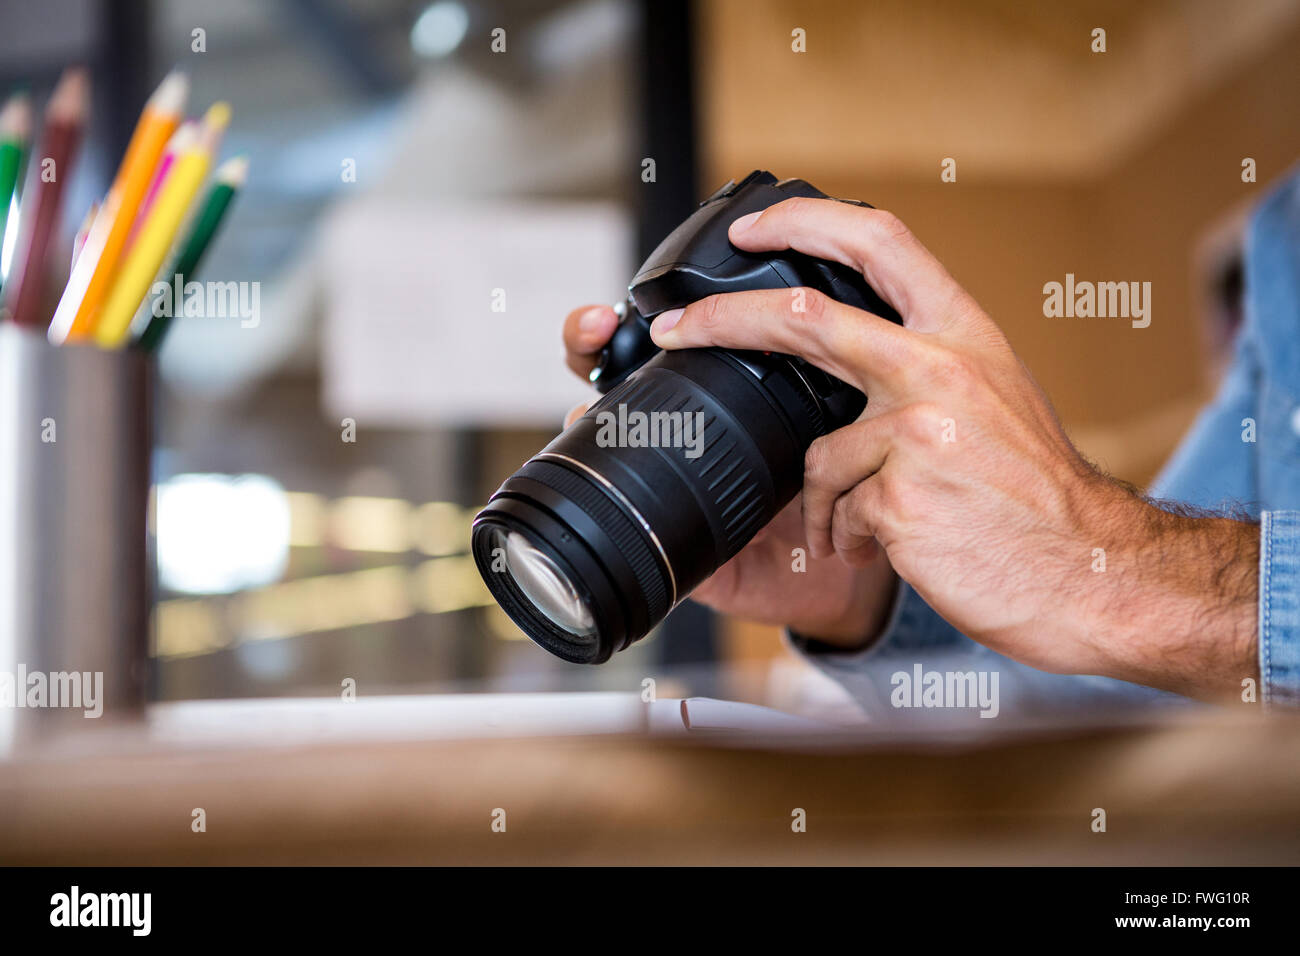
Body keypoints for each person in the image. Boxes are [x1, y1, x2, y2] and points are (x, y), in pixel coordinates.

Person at [561, 169, 1300, 714]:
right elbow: (1141, 697)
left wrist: (1101, 565)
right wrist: (867, 601)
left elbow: (1147, 602)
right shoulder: (1282, 248)